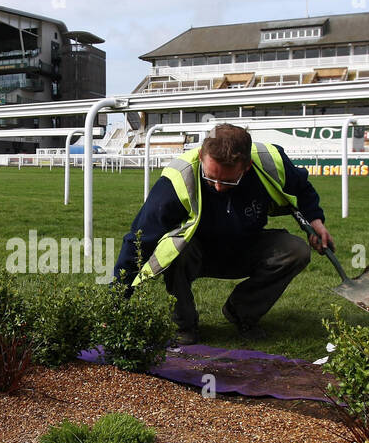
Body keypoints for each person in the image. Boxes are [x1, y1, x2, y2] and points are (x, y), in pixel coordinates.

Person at [112, 123, 334, 345]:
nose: (218, 187)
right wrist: (117, 301)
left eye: (228, 181)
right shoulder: (176, 180)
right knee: (174, 251)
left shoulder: (269, 161)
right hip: (197, 253)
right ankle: (184, 325)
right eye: (210, 178)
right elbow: (139, 240)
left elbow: (302, 189)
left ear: (247, 166)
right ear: (201, 156)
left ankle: (241, 312)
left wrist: (316, 221)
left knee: (296, 250)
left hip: (247, 247)